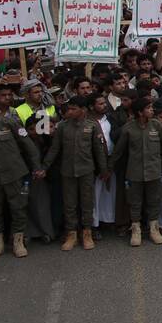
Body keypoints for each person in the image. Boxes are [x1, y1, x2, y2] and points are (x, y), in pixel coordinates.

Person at [0, 89, 45, 260]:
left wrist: (36, 167)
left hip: (14, 172)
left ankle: (18, 241)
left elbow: (28, 145)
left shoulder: (9, 123)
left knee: (18, 206)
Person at [42, 96, 109, 251]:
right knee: (69, 204)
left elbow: (99, 150)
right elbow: (55, 149)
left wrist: (104, 169)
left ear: (83, 110)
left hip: (86, 170)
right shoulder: (63, 127)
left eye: (73, 109)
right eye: (69, 109)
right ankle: (71, 234)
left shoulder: (92, 125)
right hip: (67, 171)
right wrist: (44, 167)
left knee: (87, 202)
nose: (70, 112)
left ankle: (87, 233)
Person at [110, 96, 162, 247]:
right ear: (139, 112)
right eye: (149, 108)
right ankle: (136, 229)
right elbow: (118, 151)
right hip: (135, 172)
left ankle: (153, 229)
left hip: (154, 171)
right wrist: (108, 167)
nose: (152, 110)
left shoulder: (156, 125)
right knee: (135, 202)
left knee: (154, 201)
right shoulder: (128, 128)